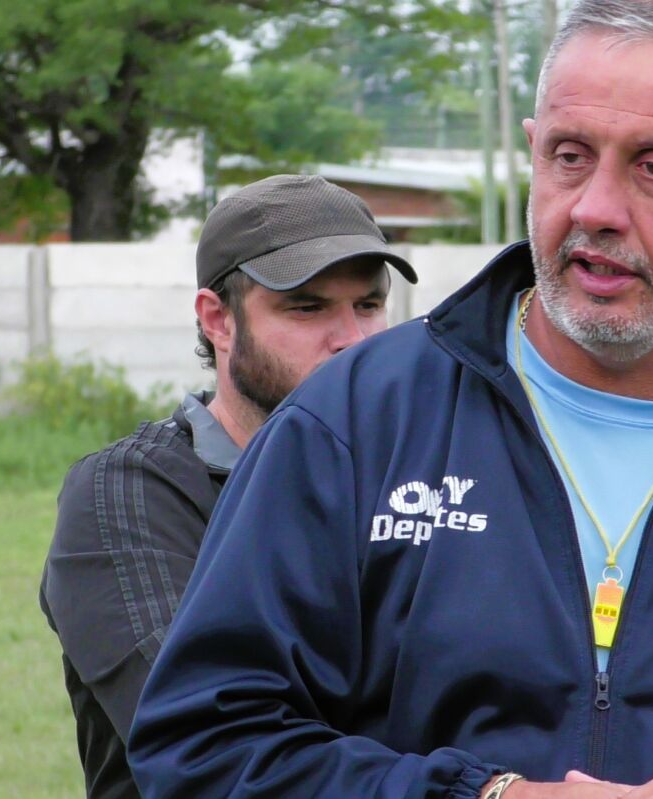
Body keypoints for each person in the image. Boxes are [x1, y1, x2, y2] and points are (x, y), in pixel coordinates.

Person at [127, 4, 653, 798]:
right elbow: (201, 746)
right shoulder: (357, 425)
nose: (596, 208)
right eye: (569, 157)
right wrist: (482, 798)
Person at [39, 174, 417, 799]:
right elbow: (210, 740)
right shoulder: (129, 496)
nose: (352, 339)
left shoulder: (419, 489)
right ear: (218, 320)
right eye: (308, 307)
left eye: (369, 305)